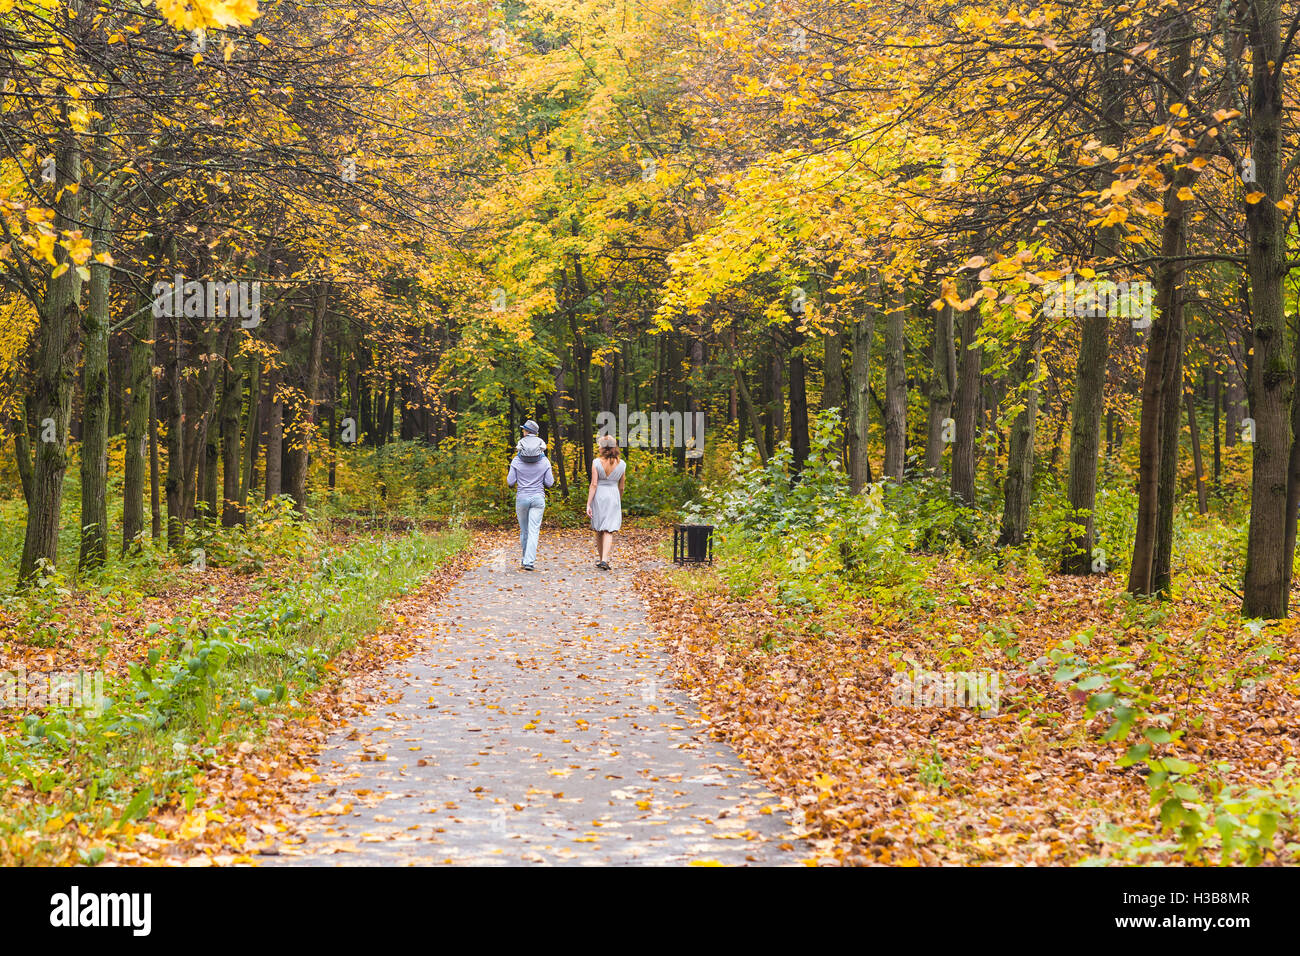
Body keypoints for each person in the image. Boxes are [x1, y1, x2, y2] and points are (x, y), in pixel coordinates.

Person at [507, 420, 554, 570]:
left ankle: (524, 559)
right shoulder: (545, 461)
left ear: (526, 432)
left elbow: (510, 481)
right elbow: (550, 483)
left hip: (522, 498)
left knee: (525, 530)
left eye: (523, 430)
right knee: (534, 530)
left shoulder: (516, 460)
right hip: (538, 498)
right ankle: (529, 561)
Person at [586, 434, 626, 570]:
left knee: (598, 528)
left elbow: (594, 484)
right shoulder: (622, 464)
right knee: (609, 529)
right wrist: (618, 500)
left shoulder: (596, 462)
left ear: (603, 448)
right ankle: (604, 559)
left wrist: (588, 503)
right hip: (613, 495)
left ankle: (601, 558)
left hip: (599, 496)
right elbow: (622, 486)